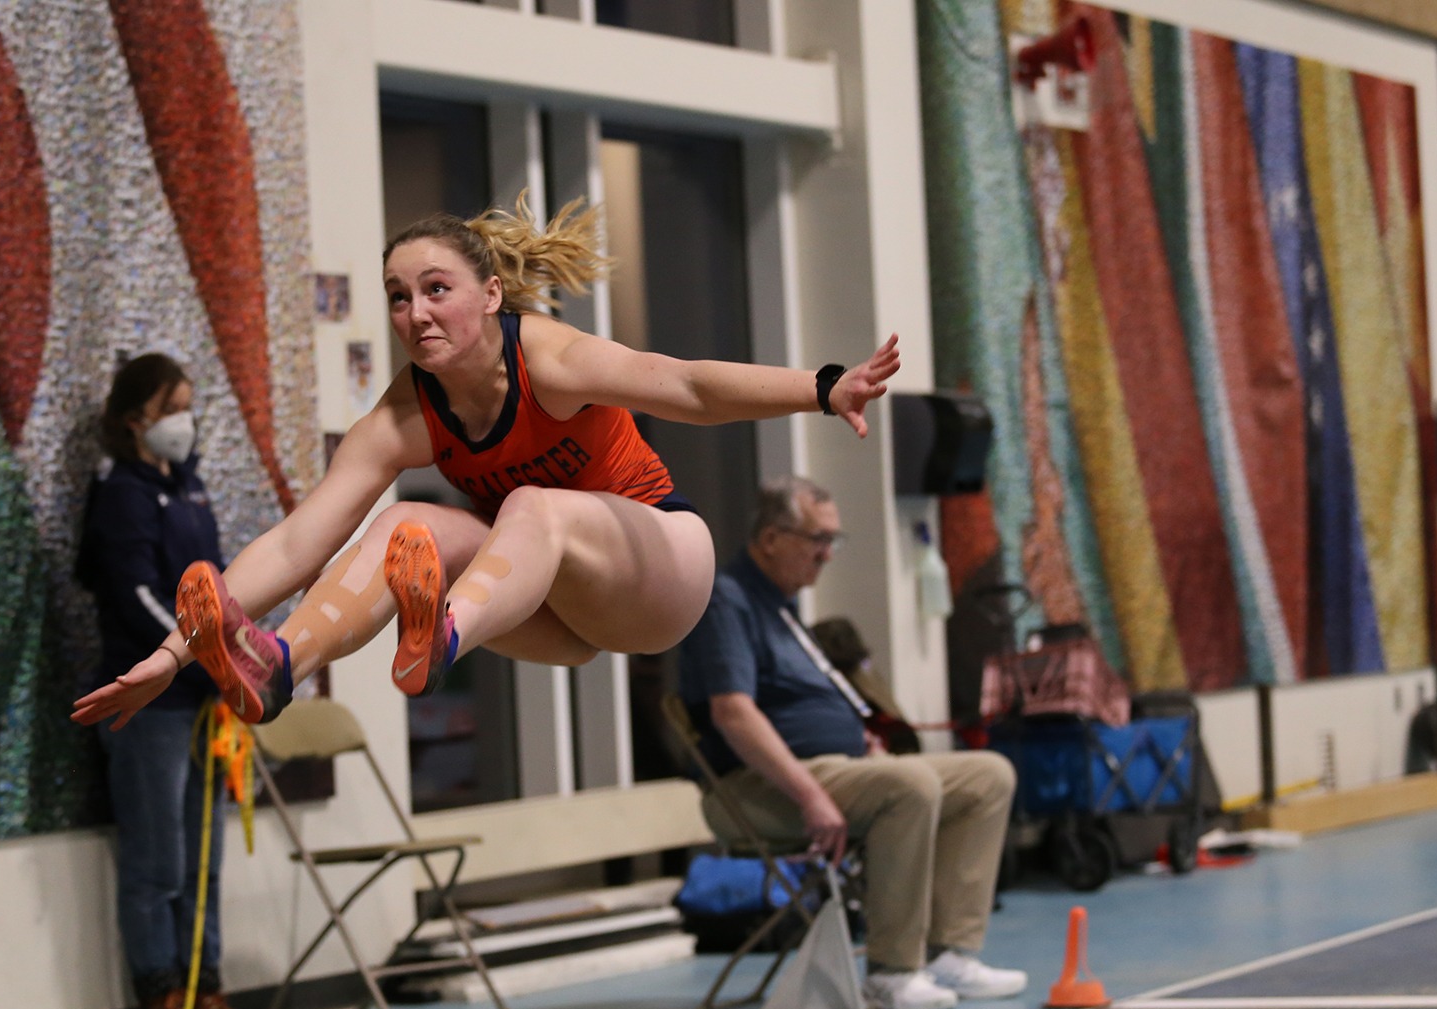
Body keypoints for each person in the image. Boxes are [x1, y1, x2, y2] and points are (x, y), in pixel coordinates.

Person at [68, 193, 897, 747]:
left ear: (492, 295)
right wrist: (174, 656)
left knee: (534, 503)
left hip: (660, 574)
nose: (415, 313)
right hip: (548, 610)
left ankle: (444, 634)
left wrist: (824, 388)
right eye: (398, 297)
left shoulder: (551, 359)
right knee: (403, 524)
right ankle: (281, 666)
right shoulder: (403, 415)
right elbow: (295, 545)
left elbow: (685, 384)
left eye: (436, 289)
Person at [677, 476, 1024, 1009]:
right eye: (817, 539)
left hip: (837, 768)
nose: (827, 555)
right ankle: (891, 973)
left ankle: (948, 953)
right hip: (756, 787)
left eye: (834, 541)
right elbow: (734, 714)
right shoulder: (729, 600)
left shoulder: (784, 608)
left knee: (988, 775)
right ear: (770, 539)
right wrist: (811, 794)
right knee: (909, 785)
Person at [74, 353, 273, 1009]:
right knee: (157, 862)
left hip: (203, 702)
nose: (185, 421)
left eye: (191, 404)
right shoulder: (121, 493)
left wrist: (237, 652)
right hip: (149, 706)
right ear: (137, 420)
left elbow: (213, 588)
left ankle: (202, 991)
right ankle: (159, 1002)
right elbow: (136, 595)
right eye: (173, 407)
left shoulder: (189, 488)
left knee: (202, 861)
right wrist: (193, 652)